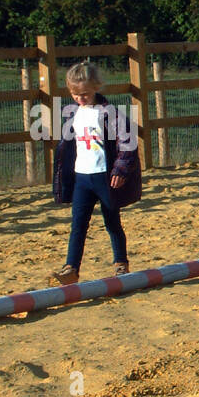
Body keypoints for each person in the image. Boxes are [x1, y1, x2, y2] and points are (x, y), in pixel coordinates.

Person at [50, 61, 141, 285]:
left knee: (112, 222)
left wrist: (120, 169)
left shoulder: (109, 113)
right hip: (82, 176)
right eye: (75, 94)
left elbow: (128, 141)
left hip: (104, 176)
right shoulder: (73, 114)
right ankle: (71, 269)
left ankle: (121, 263)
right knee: (78, 224)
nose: (80, 98)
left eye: (85, 94)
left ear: (96, 88)